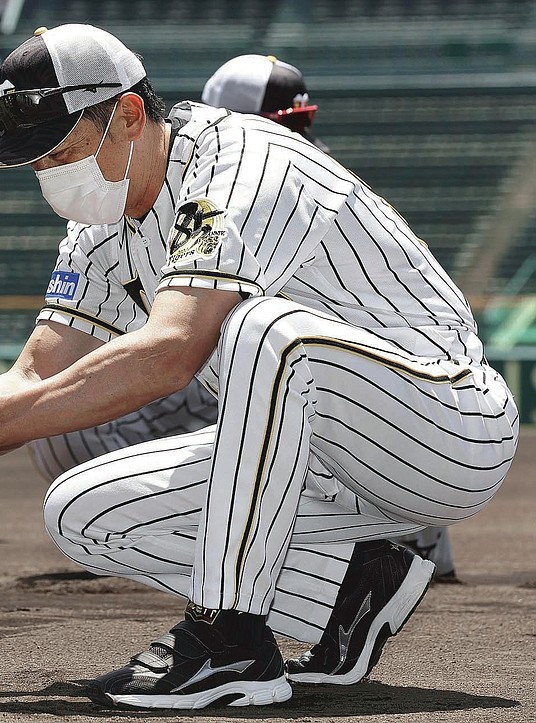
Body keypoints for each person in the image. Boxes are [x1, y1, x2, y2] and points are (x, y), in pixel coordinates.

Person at [0, 24, 518, 710]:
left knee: (266, 330)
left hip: (444, 425)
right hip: (324, 466)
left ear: (130, 114)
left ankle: (229, 642)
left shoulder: (241, 161)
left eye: (62, 149)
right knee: (82, 511)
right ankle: (356, 586)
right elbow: (36, 373)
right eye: (38, 160)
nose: (49, 170)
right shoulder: (99, 224)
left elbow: (173, 349)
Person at [202, 53, 460, 583]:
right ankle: (411, 530)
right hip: (413, 405)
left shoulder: (251, 186)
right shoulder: (327, 171)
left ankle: (366, 540)